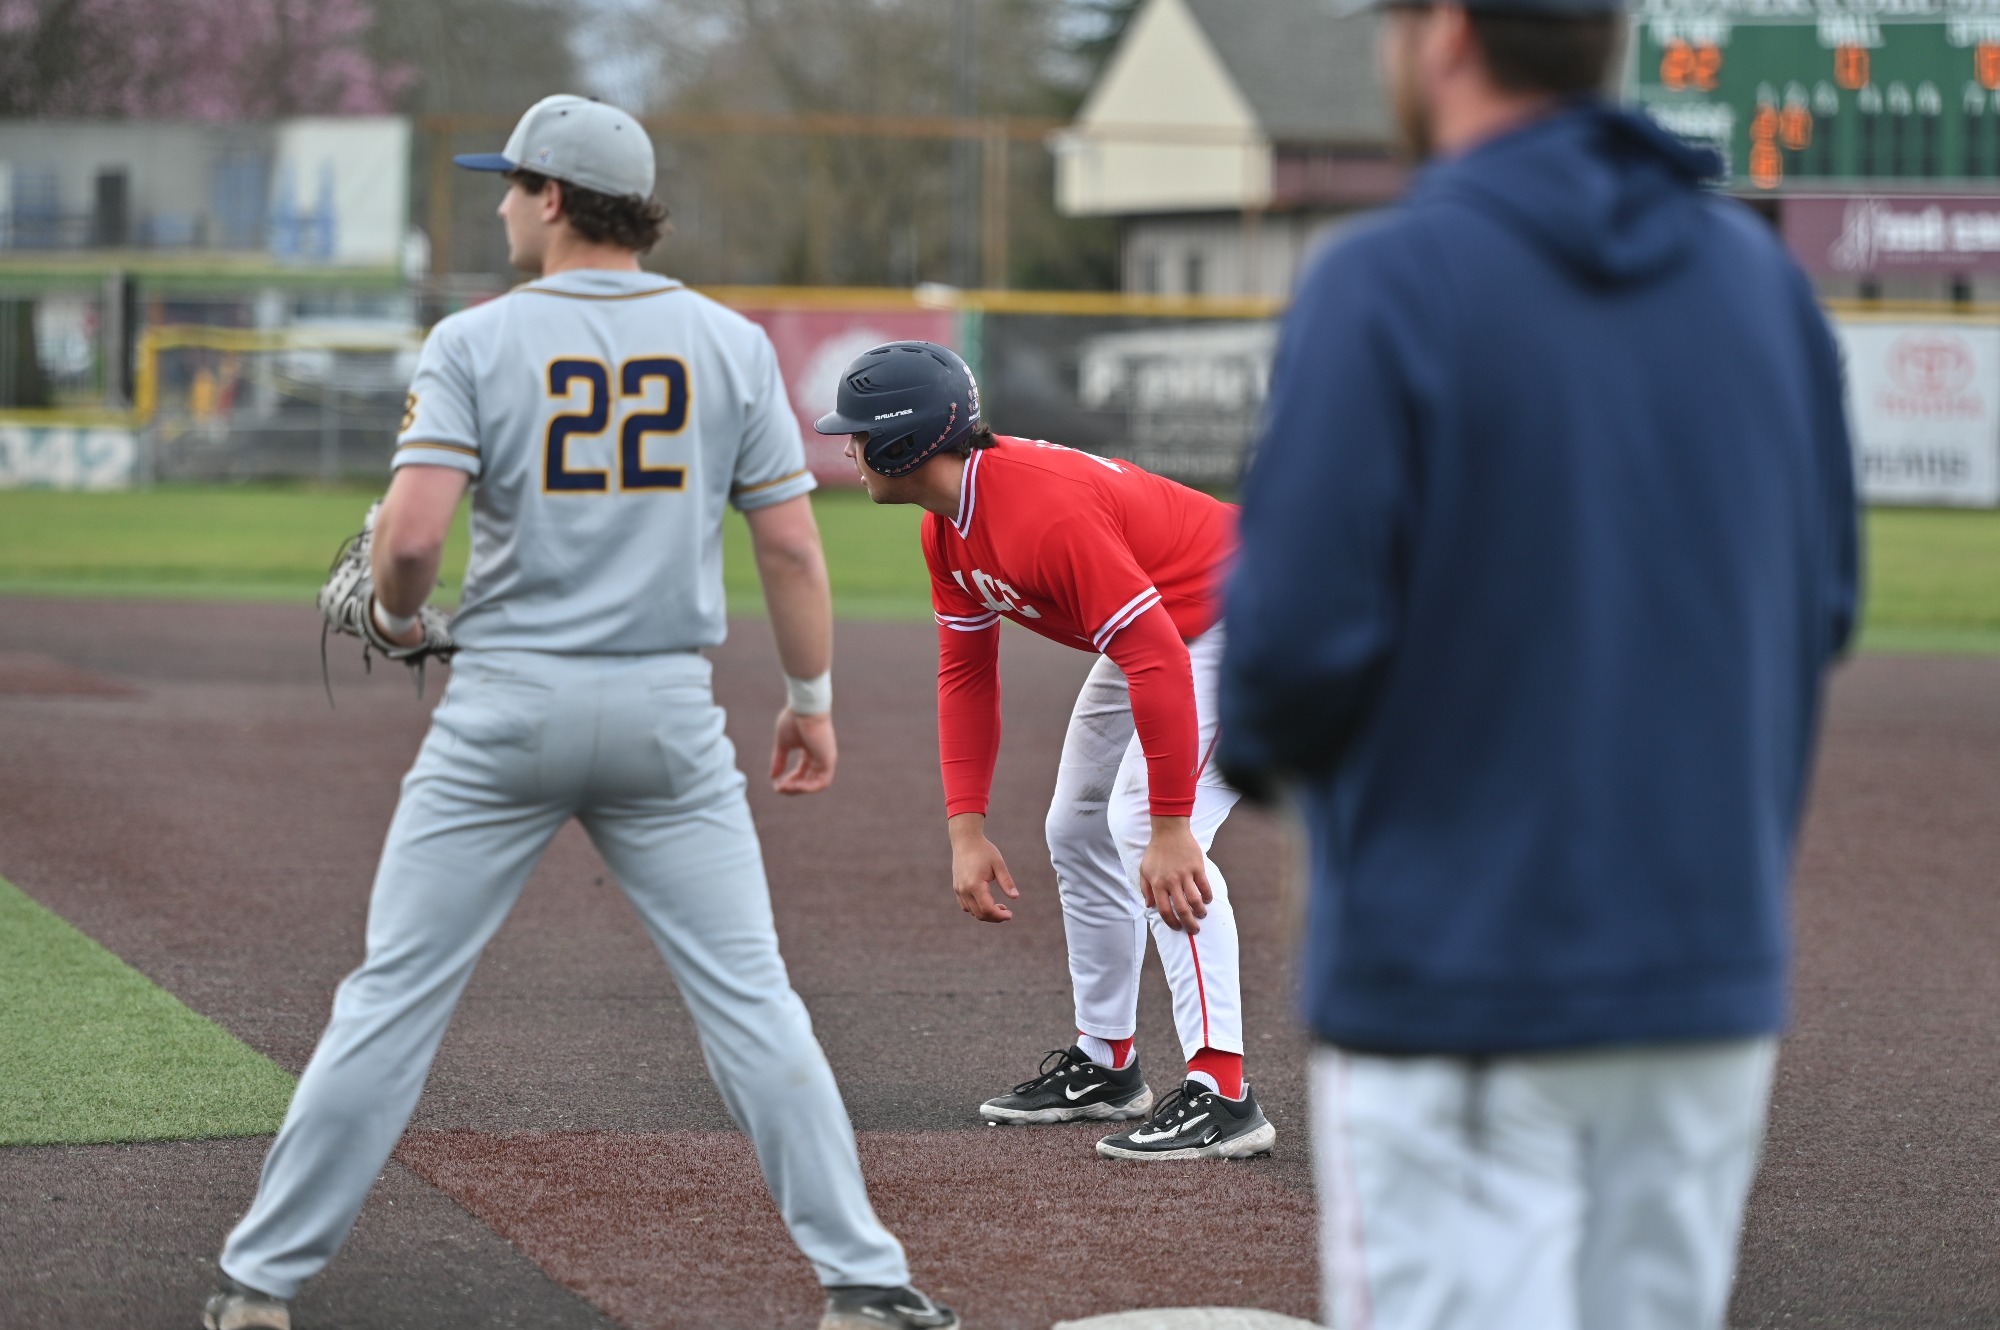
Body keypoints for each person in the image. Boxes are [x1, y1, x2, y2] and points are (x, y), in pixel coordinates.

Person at [202, 96, 956, 1330]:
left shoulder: (474, 339)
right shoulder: (728, 344)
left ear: (553, 198)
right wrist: (808, 701)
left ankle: (257, 1287)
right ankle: (865, 1283)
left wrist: (396, 618)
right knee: (752, 1002)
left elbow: (412, 543)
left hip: (505, 705)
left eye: (512, 183)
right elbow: (789, 550)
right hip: (666, 716)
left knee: (391, 1000)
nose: (502, 203)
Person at [1217, 4, 1860, 1329]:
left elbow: (1284, 661)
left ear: (1448, 33)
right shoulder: (1760, 283)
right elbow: (1826, 604)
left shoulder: (1387, 277)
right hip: (1702, 982)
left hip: (1457, 972)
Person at [813, 341, 1276, 1162]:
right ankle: (1108, 1063)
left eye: (857, 433)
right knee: (1077, 825)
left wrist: (1172, 826)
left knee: (1142, 823)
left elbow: (1157, 658)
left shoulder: (1040, 511)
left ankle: (1224, 1092)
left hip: (1252, 613)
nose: (847, 448)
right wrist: (966, 829)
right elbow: (966, 674)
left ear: (901, 442)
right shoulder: (947, 532)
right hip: (1172, 626)